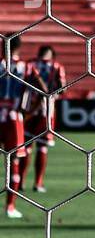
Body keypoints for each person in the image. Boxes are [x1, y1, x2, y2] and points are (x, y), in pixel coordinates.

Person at [20, 45, 65, 193]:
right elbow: (63, 87)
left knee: (30, 146)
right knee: (39, 146)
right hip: (43, 110)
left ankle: (25, 182)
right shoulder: (56, 66)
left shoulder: (30, 64)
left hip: (32, 109)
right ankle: (35, 183)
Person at [0, 36, 27, 219]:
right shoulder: (26, 67)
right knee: (13, 161)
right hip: (13, 118)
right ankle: (10, 207)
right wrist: (26, 109)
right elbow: (38, 88)